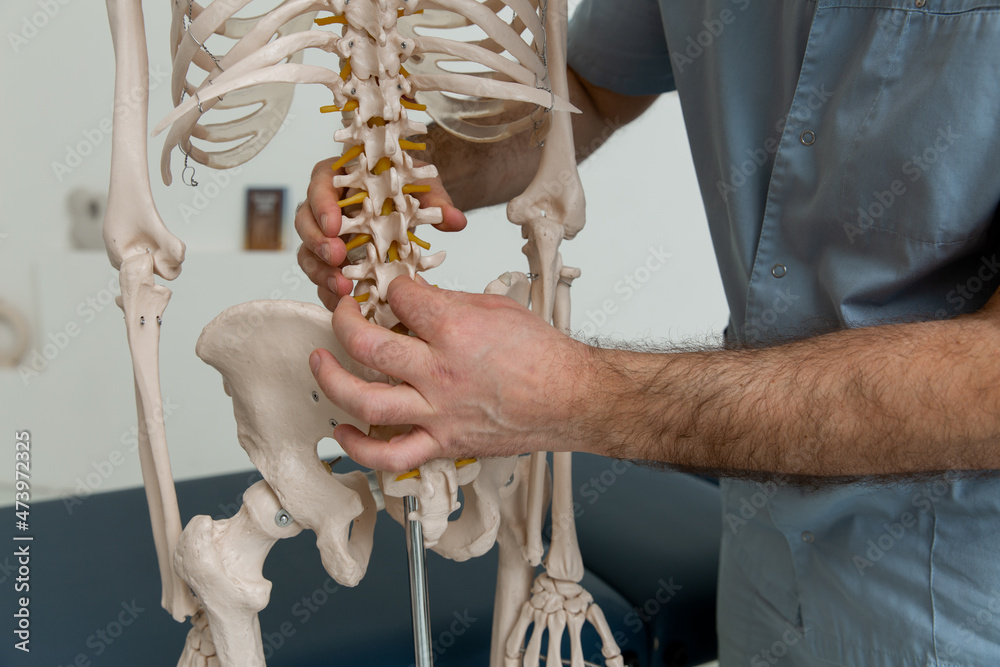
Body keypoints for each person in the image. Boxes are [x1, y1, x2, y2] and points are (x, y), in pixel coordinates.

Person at [294, 1, 1000, 664]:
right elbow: (588, 92)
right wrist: (407, 170)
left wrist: (571, 395)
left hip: (959, 599)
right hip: (763, 555)